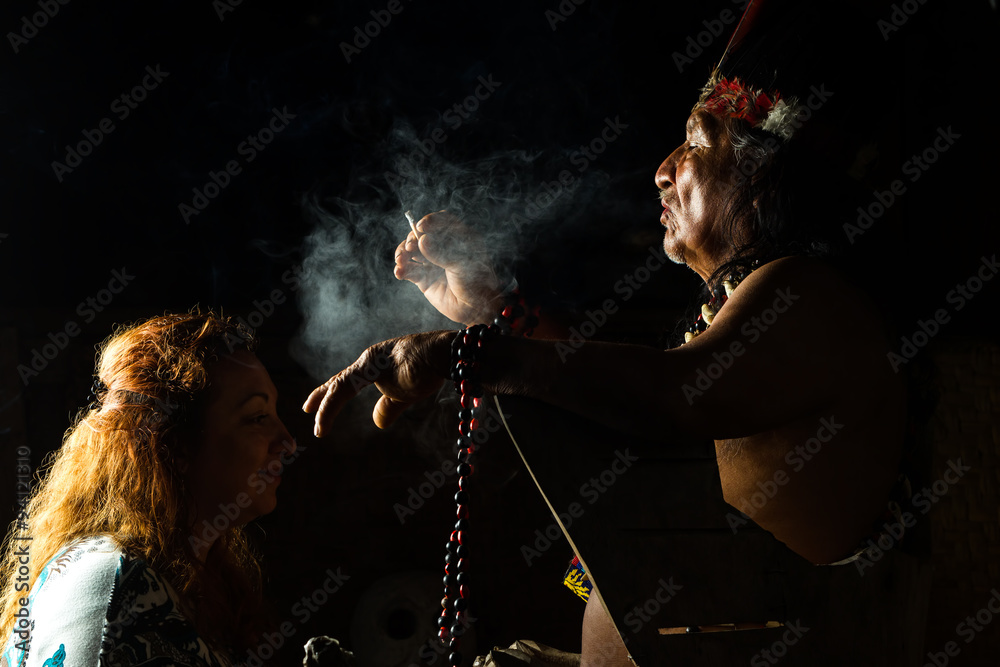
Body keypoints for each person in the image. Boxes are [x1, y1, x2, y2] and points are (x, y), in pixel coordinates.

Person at [302, 6, 908, 665]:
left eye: (696, 144)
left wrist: (459, 354)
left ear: (765, 177)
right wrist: (493, 309)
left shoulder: (808, 296)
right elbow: (621, 391)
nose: (664, 169)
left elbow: (668, 397)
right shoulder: (750, 313)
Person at [0, 310, 297, 667]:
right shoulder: (114, 583)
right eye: (258, 417)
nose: (288, 442)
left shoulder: (196, 578)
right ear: (173, 445)